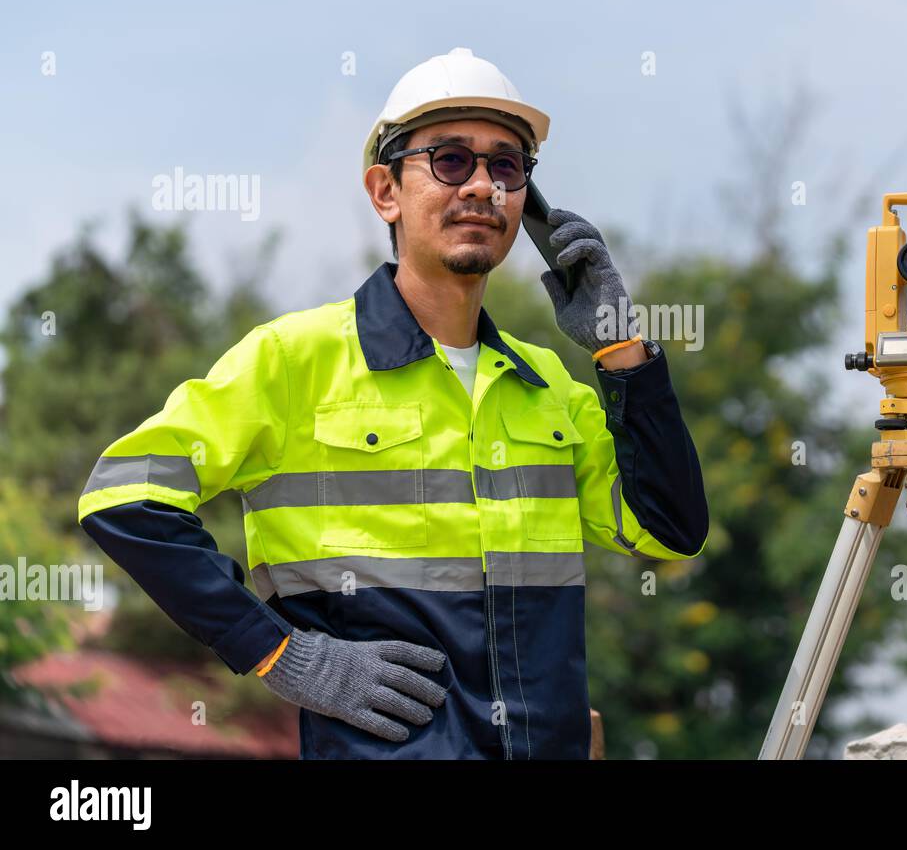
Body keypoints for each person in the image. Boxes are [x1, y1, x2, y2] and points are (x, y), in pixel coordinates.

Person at [77, 47, 709, 759]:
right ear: (386, 191)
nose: (481, 186)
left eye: (506, 167)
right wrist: (282, 652)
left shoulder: (547, 386)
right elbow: (121, 498)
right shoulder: (294, 361)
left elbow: (671, 530)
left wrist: (622, 351)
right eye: (450, 161)